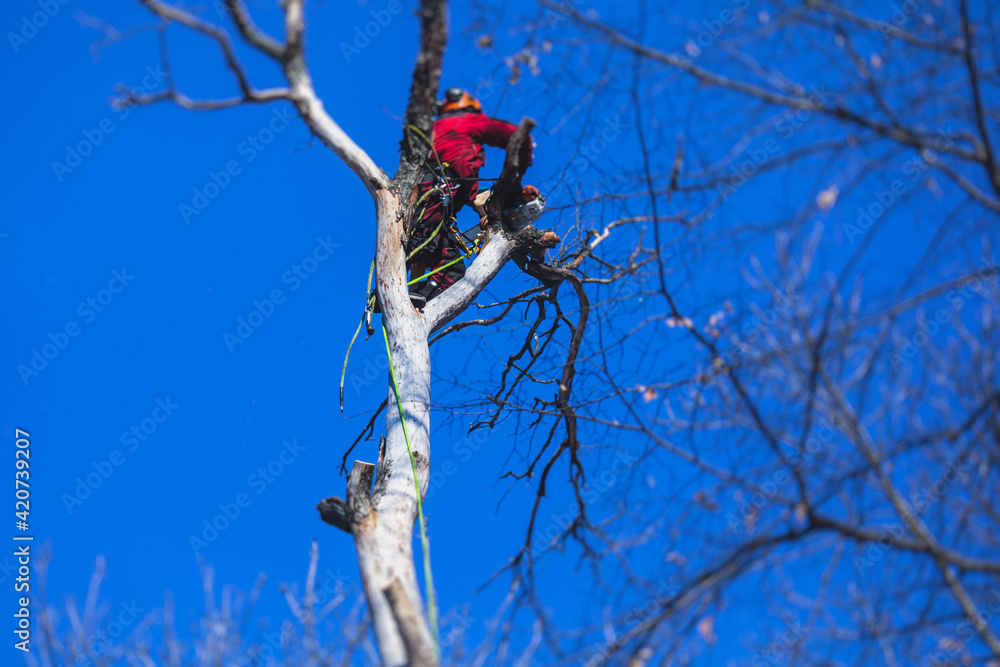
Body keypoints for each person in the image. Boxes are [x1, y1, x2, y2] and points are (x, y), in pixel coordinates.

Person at [407, 88, 519, 308]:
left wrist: (487, 213)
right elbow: (510, 134)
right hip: (435, 193)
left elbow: (470, 193)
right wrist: (522, 161)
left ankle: (418, 297)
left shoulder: (446, 135)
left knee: (452, 267)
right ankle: (397, 290)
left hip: (443, 201)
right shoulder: (463, 122)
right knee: (422, 242)